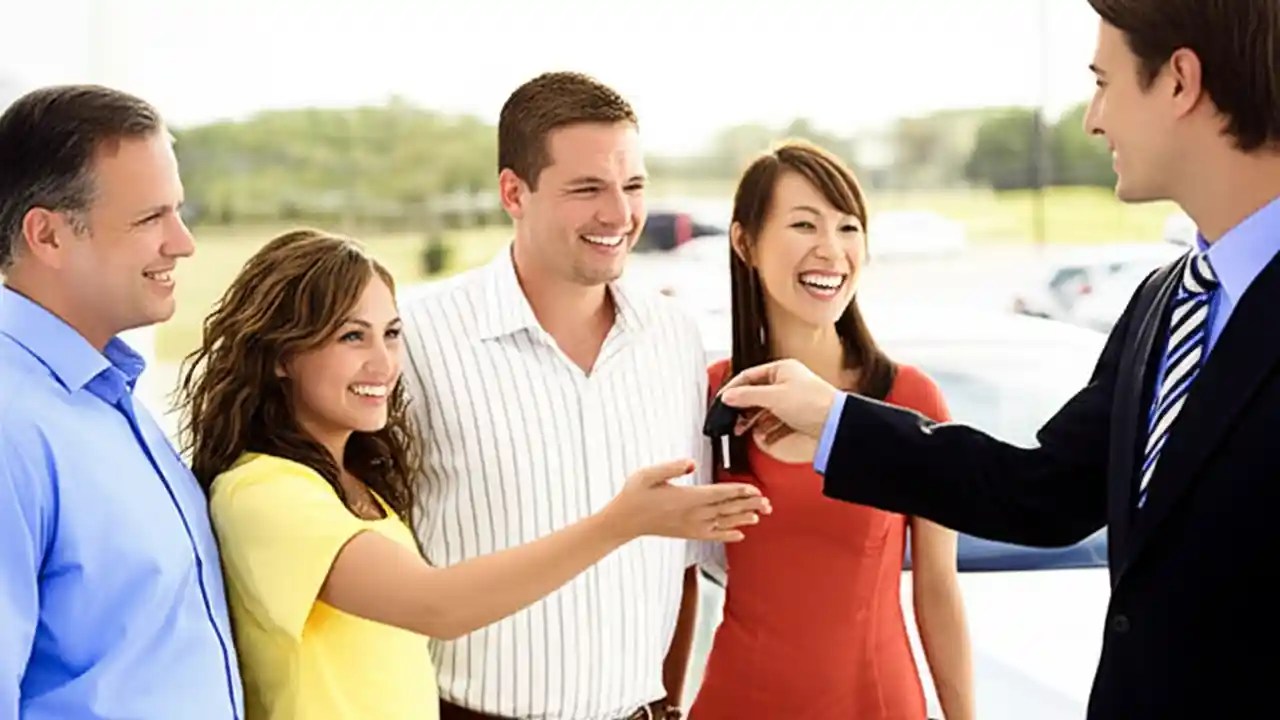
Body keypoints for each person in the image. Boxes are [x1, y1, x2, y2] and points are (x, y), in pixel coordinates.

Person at [715, 2, 1280, 718]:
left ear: (1179, 81)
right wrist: (834, 420)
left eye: (1104, 83)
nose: (1093, 119)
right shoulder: (1165, 302)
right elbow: (1040, 493)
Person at [174, 229, 768, 720]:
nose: (382, 363)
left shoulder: (349, 481)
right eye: (351, 336)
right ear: (282, 354)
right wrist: (620, 522)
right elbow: (436, 606)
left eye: (391, 334)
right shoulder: (265, 493)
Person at [399, 71, 725, 720]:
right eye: (587, 189)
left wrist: (667, 706)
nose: (618, 214)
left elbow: (682, 557)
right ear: (513, 192)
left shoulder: (676, 338)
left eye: (632, 186)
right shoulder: (415, 337)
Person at [687, 141, 973, 720]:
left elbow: (938, 590)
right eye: (803, 225)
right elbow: (676, 579)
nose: (832, 250)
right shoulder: (711, 394)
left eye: (848, 228)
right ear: (744, 243)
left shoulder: (908, 398)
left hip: (875, 703)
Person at [0, 85, 244, 718]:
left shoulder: (105, 394)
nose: (183, 243)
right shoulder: (12, 426)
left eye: (177, 212)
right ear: (47, 235)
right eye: (149, 219)